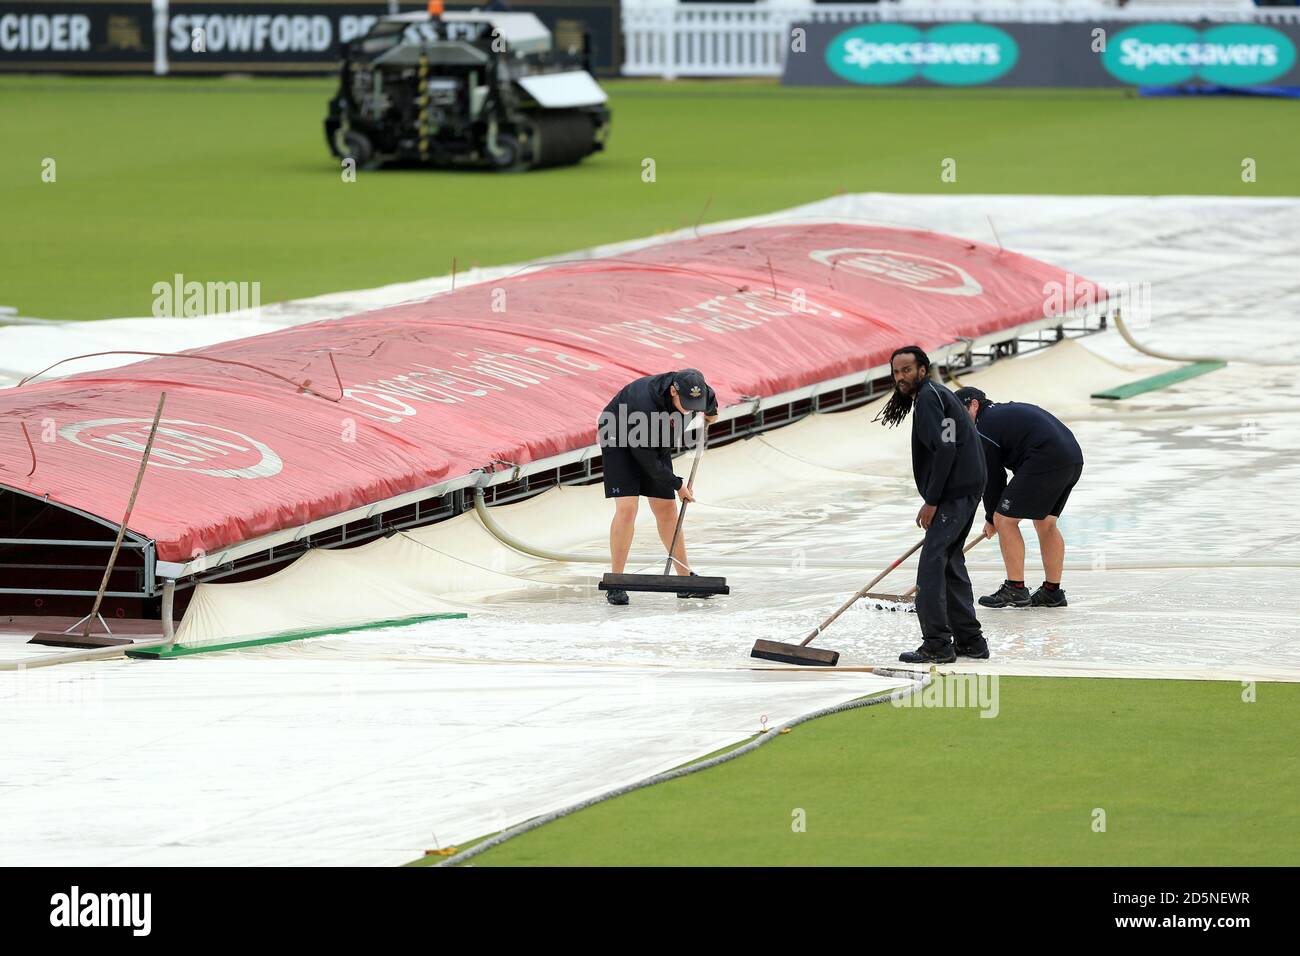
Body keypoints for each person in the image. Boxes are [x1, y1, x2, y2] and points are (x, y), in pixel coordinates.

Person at [876, 346, 988, 663]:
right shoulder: (938, 395)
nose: (901, 377)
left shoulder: (928, 398)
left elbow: (946, 449)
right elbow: (951, 440)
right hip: (967, 487)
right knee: (950, 561)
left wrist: (932, 500)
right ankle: (971, 642)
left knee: (931, 567)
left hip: (955, 493)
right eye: (896, 372)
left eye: (907, 370)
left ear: (922, 370)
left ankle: (937, 644)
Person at [955, 387, 1084, 609]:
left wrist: (991, 518)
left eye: (960, 412)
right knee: (1045, 522)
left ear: (974, 404)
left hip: (1046, 459)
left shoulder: (983, 428)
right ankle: (1052, 592)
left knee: (1005, 519)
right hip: (1071, 458)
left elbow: (993, 478)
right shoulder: (1000, 414)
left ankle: (1015, 589)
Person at [597, 369, 718, 606]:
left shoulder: (701, 391)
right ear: (673, 391)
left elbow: (711, 408)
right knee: (628, 508)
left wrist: (711, 415)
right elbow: (648, 461)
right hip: (619, 435)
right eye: (685, 403)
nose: (689, 408)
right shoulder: (645, 403)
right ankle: (616, 581)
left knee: (666, 510)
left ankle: (684, 579)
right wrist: (678, 484)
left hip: (656, 435)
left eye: (694, 404)